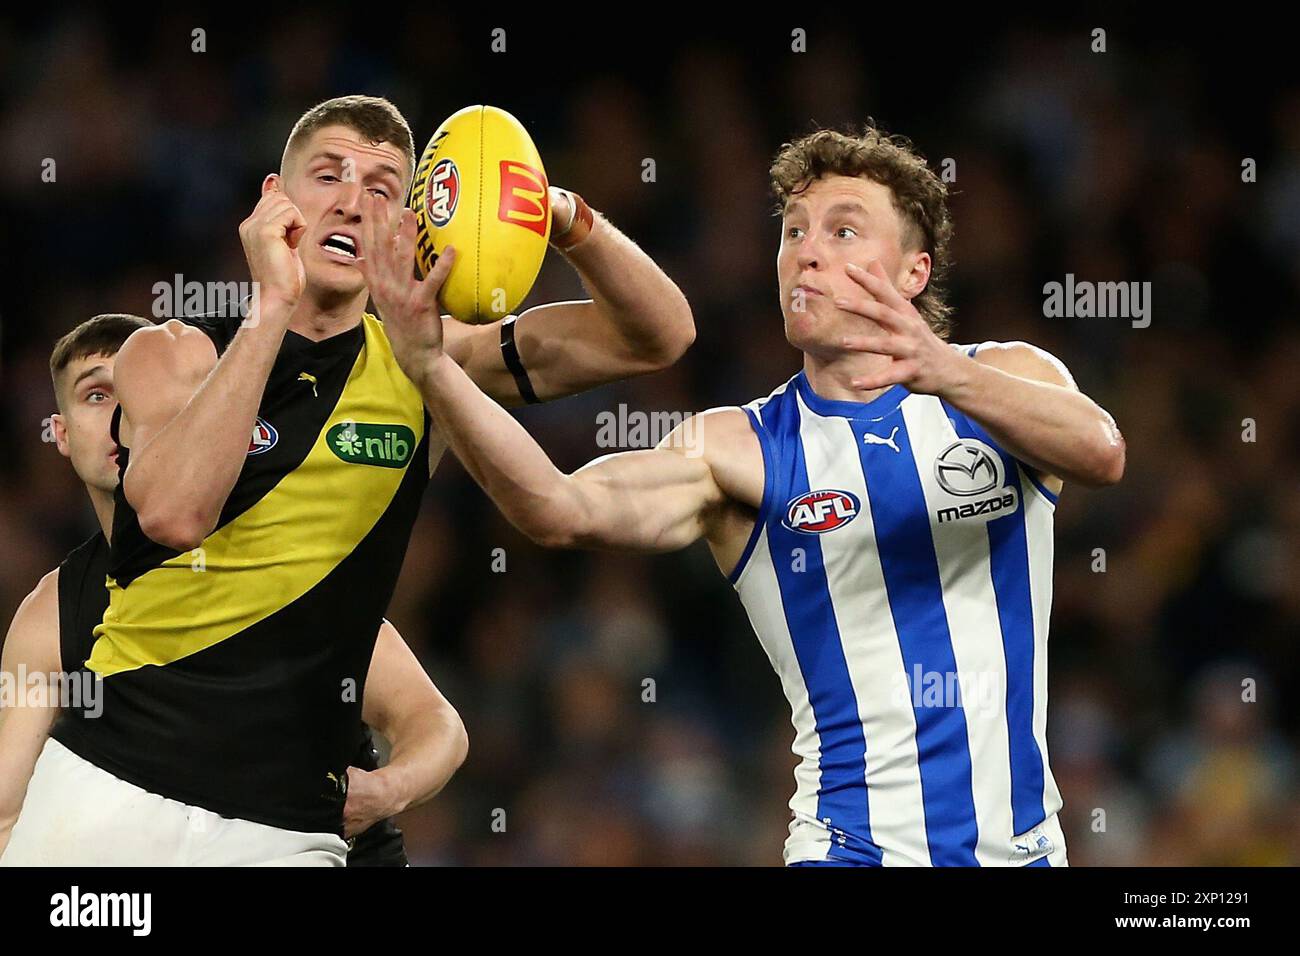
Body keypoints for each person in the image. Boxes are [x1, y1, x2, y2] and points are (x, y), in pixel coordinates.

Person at [365, 124, 1127, 867]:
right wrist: (433, 366)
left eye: (843, 231)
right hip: (848, 849)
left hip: (1026, 852)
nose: (809, 253)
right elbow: (558, 510)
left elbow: (1102, 452)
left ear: (914, 273)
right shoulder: (741, 448)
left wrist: (944, 372)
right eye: (794, 232)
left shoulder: (1009, 379)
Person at [2, 93, 694, 865]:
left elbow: (658, 337)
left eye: (382, 188)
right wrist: (273, 305)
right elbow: (172, 515)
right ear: (274, 199)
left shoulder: (429, 361)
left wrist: (555, 213)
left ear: (410, 226)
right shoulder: (171, 353)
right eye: (328, 175)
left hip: (289, 824)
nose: (352, 203)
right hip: (114, 787)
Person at [0, 314, 468, 866]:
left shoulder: (258, 555)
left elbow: (436, 724)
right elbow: (7, 813)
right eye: (98, 395)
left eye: (132, 392)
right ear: (61, 431)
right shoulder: (53, 612)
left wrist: (388, 789)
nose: (120, 415)